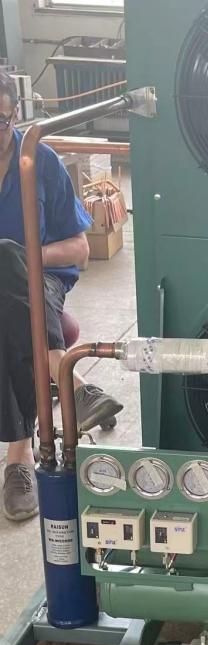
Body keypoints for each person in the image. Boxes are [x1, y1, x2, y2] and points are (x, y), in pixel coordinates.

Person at [0, 71, 123, 522]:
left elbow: (80, 251)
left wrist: (21, 257)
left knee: (7, 265)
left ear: (15, 113)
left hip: (40, 280)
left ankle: (18, 457)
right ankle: (72, 384)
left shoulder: (39, 160)